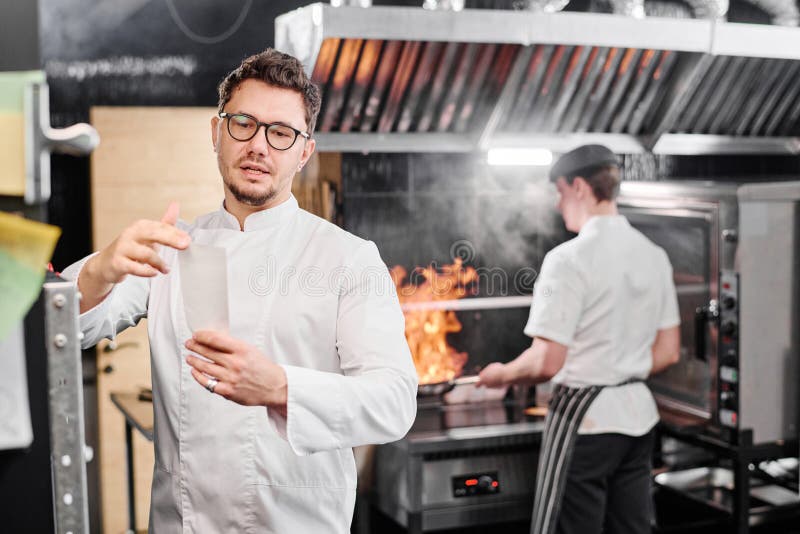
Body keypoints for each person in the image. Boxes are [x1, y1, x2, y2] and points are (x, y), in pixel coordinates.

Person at [61, 48, 417, 533]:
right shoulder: (170, 249)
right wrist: (101, 268)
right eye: (242, 123)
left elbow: (394, 401)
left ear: (304, 151)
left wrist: (280, 388)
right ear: (216, 132)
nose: (258, 146)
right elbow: (62, 328)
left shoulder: (348, 258)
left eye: (281, 132)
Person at [478, 144, 681, 534]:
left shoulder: (567, 260)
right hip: (638, 418)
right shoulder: (653, 254)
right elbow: (668, 351)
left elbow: (545, 363)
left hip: (586, 421)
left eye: (559, 191)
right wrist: (619, 365)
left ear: (580, 187)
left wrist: (499, 375)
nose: (557, 204)